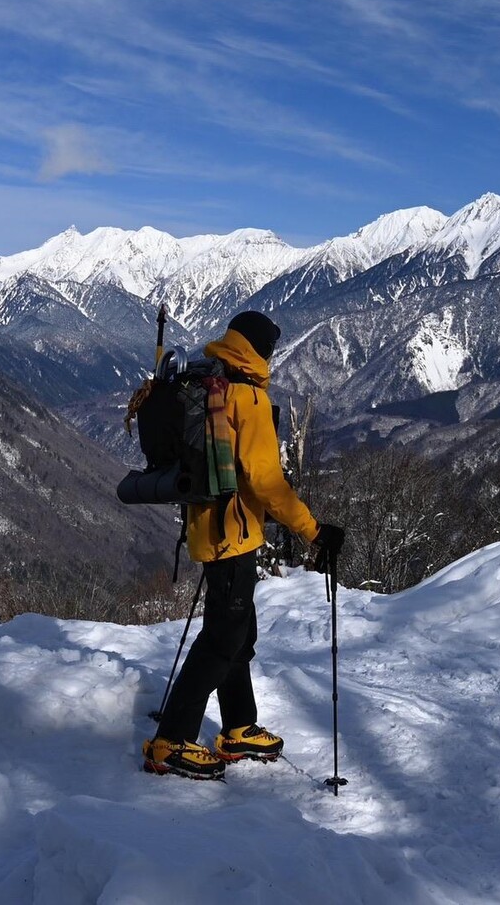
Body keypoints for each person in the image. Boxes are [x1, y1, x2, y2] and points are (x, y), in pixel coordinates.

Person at [143, 310, 346, 780]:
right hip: (231, 535)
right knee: (222, 638)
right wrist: (314, 530)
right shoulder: (247, 396)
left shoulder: (209, 378)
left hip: (209, 527)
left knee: (239, 634)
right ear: (260, 350)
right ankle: (171, 741)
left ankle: (239, 726)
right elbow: (266, 482)